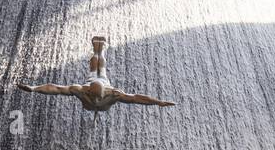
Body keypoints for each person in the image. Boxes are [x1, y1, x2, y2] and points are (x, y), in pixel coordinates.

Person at [17, 36, 175, 114]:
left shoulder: (114, 93)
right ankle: (98, 50)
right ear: (88, 90)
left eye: (99, 97)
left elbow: (137, 98)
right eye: (95, 96)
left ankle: (100, 50)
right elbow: (55, 88)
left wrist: (158, 102)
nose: (97, 99)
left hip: (102, 82)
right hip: (94, 84)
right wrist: (34, 88)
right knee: (95, 69)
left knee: (100, 69)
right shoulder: (80, 89)